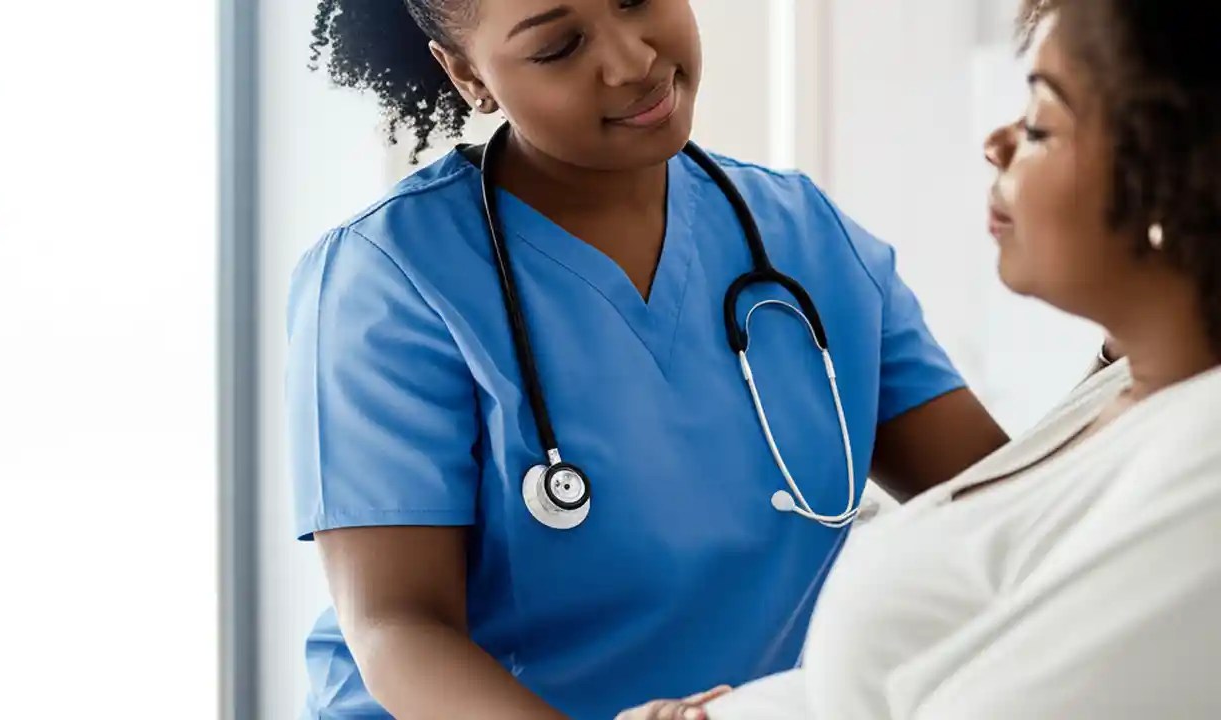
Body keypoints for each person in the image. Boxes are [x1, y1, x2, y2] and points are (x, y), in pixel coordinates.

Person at [286, 1, 1013, 718]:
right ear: (467, 74)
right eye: (559, 46)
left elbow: (1010, 513)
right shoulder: (390, 276)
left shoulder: (807, 239)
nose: (632, 61)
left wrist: (1123, 354)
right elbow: (397, 627)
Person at [620, 1, 1221, 718]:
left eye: (1039, 124)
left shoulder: (1203, 458)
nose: (997, 143)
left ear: (1178, 173)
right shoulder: (1134, 383)